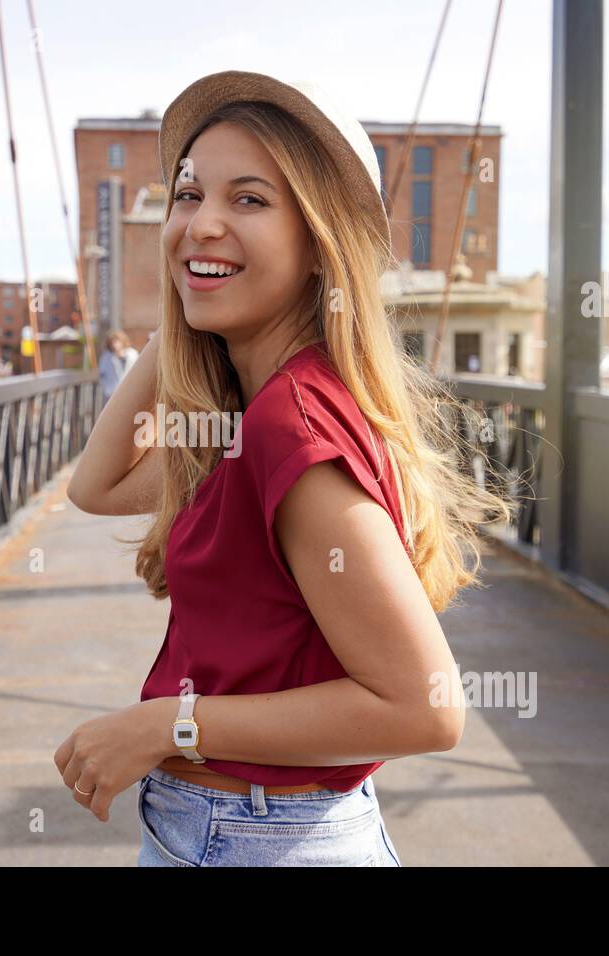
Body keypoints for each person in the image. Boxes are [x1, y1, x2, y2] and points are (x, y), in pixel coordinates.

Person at [56, 70, 515, 866]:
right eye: (189, 195)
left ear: (317, 247)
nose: (201, 223)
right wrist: (184, 319)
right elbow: (94, 487)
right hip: (235, 829)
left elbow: (426, 707)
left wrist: (169, 723)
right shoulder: (249, 414)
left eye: (250, 200)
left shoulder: (289, 428)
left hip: (258, 839)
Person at [98, 330, 139, 403]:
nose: (114, 344)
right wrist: (106, 388)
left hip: (129, 393)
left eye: (116, 341)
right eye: (112, 342)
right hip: (111, 393)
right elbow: (102, 374)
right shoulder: (107, 356)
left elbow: (138, 372)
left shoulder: (132, 354)